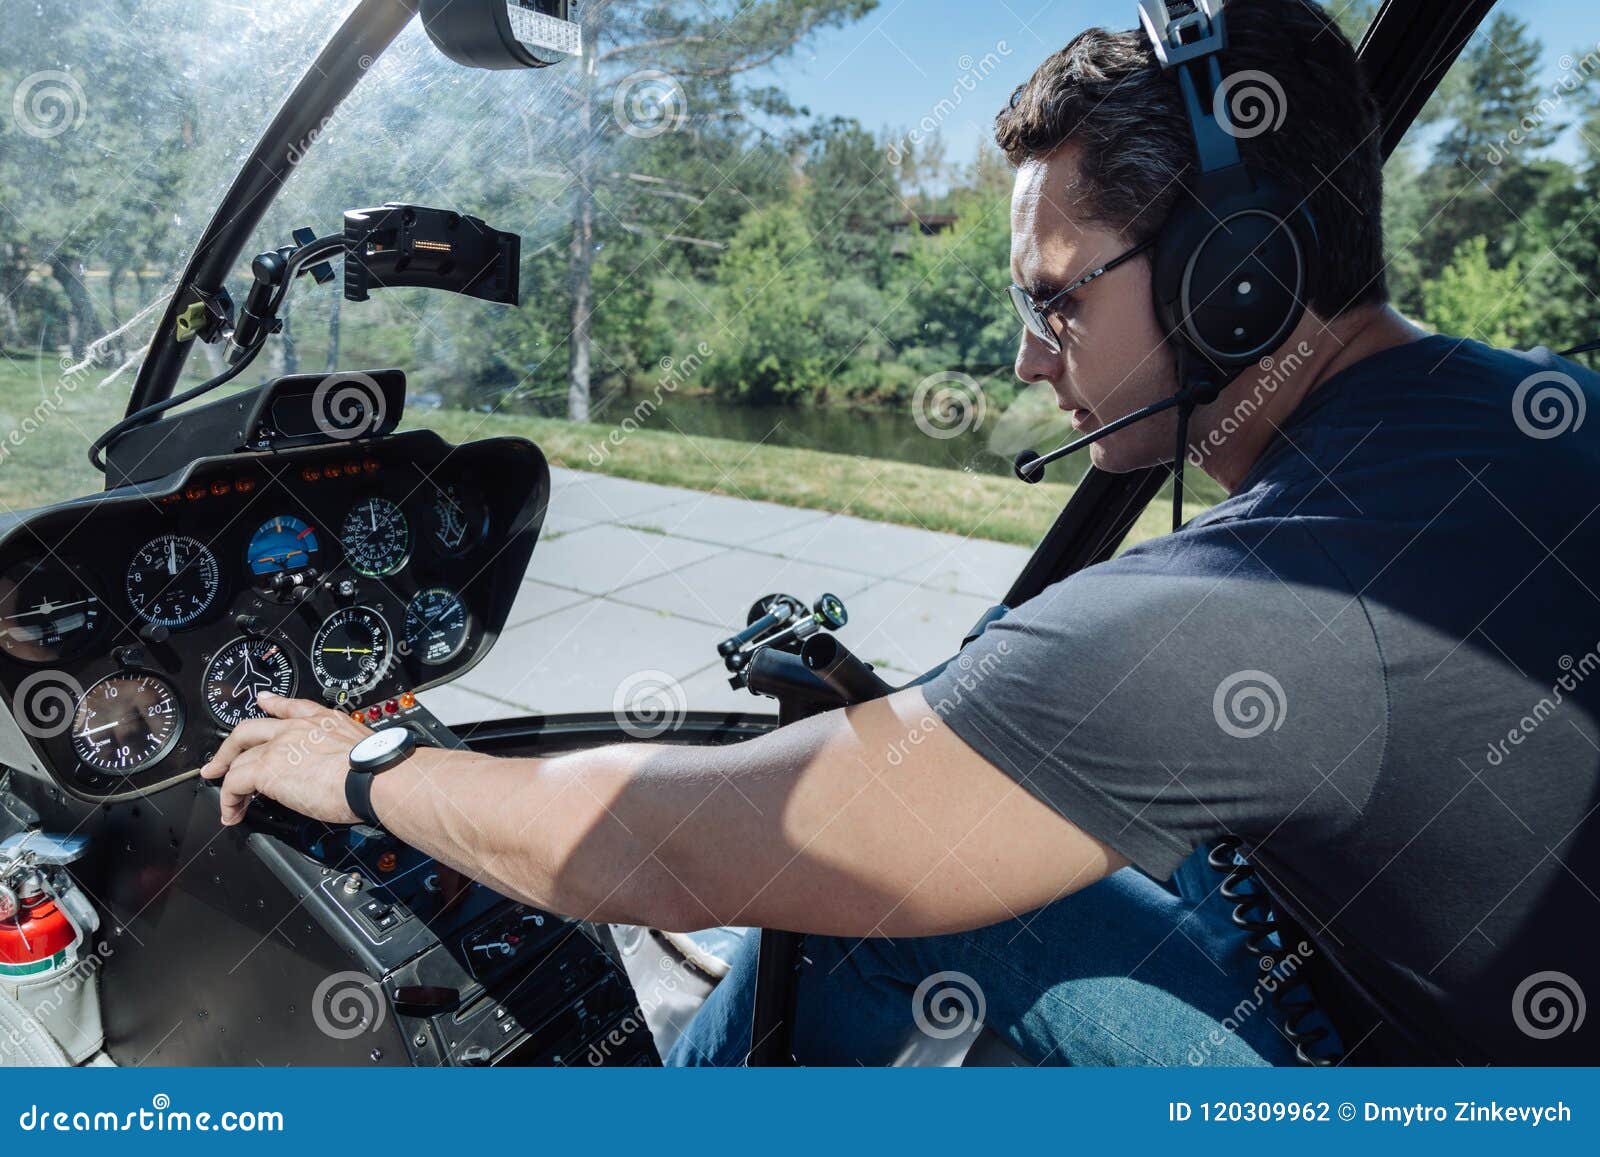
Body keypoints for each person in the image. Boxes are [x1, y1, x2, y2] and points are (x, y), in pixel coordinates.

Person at [201, 0, 1598, 1065]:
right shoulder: (1541, 407)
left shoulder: (1246, 605)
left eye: (1055, 301)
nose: (1026, 362)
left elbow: (662, 850)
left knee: (870, 895)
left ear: (1236, 281)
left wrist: (372, 763)